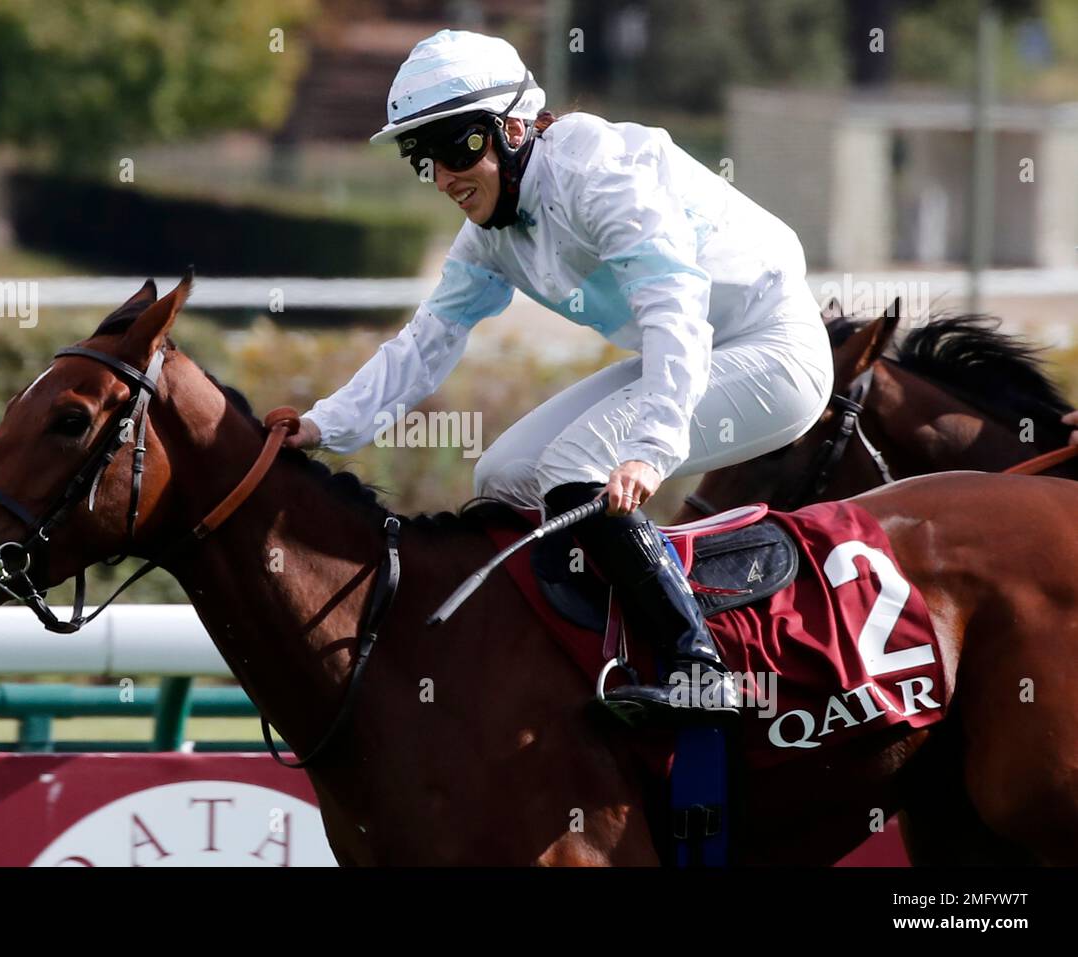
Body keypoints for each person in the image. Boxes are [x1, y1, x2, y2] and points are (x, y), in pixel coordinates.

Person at [284, 30, 834, 721]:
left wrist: (650, 447)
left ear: (515, 128)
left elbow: (675, 311)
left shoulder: (597, 175)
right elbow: (424, 344)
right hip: (698, 352)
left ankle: (700, 667)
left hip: (774, 350)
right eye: (424, 159)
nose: (446, 177)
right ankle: (584, 651)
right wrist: (320, 424)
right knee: (503, 474)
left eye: (461, 148)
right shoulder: (488, 234)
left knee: (576, 462)